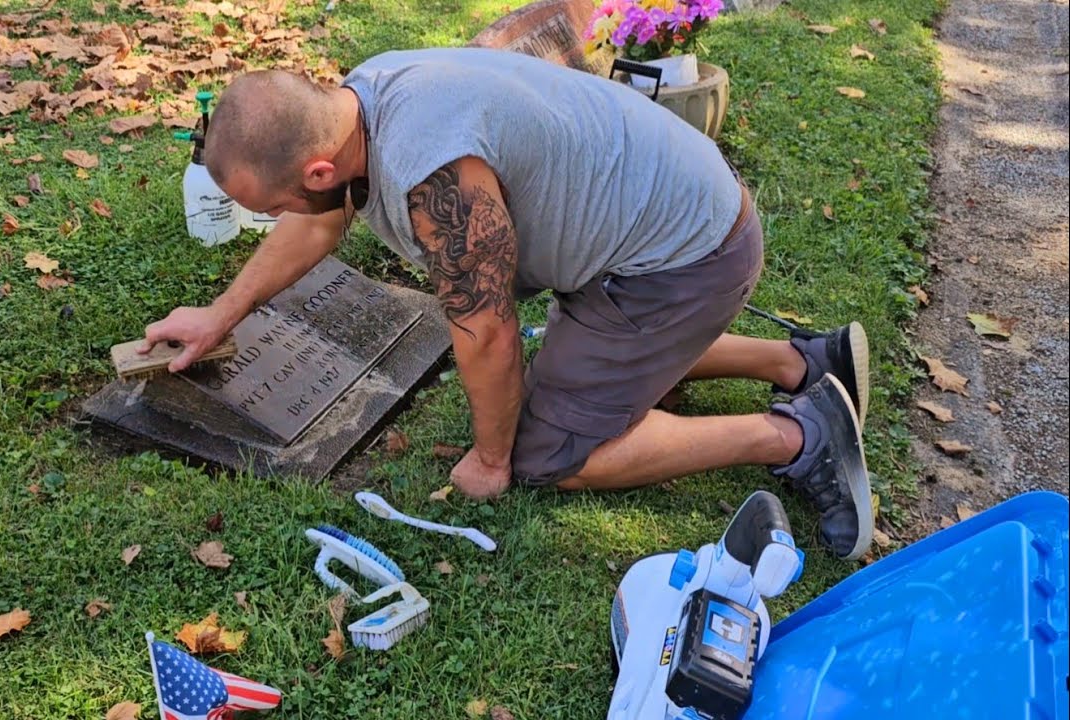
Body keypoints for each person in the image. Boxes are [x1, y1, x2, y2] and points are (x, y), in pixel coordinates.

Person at [137, 47, 875, 561]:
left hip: (686, 262)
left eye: (273, 204)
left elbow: (487, 334)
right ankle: (801, 361)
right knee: (569, 356)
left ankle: (799, 434)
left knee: (552, 451)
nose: (278, 218)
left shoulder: (434, 176)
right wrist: (220, 314)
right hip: (657, 231)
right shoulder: (361, 95)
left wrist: (493, 459)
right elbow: (319, 217)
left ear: (319, 167)